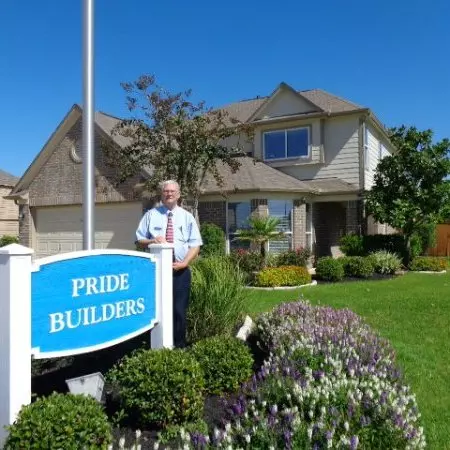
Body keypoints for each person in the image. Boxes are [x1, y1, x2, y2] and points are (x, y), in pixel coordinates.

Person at [135, 180, 202, 348]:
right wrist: (152, 239)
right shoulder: (151, 215)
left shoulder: (187, 217)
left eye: (172, 191)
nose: (169, 194)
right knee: (156, 310)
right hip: (156, 272)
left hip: (180, 271)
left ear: (178, 194)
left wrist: (185, 262)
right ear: (162, 194)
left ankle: (179, 348)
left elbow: (195, 244)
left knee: (179, 311)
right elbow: (139, 240)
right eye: (166, 191)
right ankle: (156, 345)